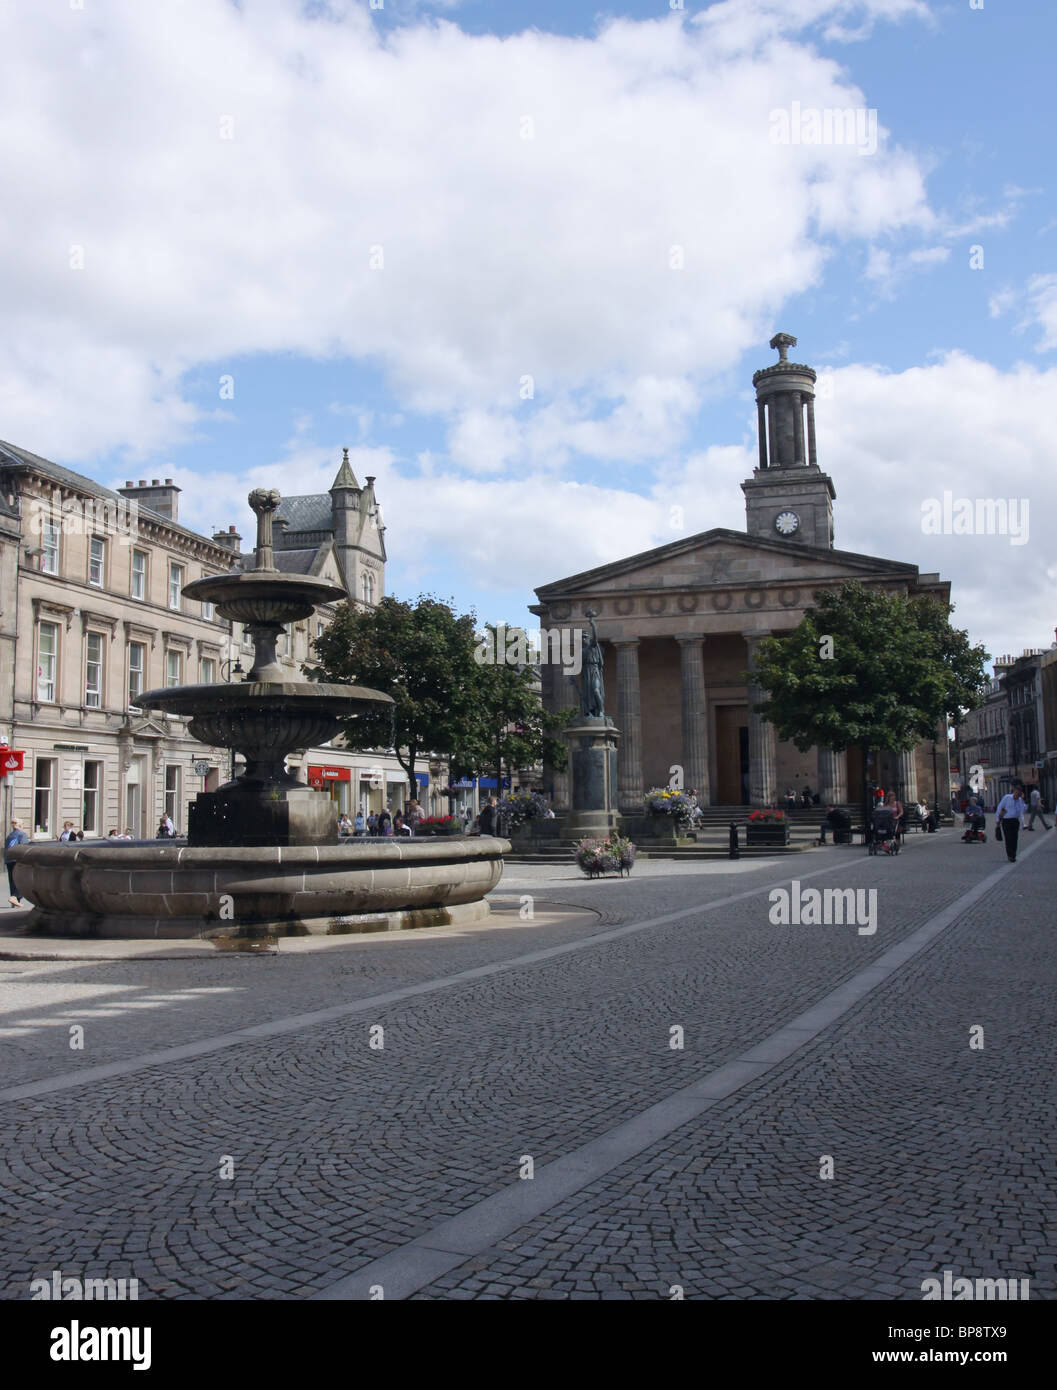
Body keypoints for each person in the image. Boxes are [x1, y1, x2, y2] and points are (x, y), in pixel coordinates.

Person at [995, 785, 1027, 862]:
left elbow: (1023, 811)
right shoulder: (1007, 798)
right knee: (1008, 838)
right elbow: (1000, 807)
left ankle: (1013, 854)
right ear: (1014, 792)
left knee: (1015, 838)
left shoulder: (1020, 800)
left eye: (1019, 794)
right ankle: (1010, 855)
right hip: (1006, 821)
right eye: (1016, 792)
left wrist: (1022, 800)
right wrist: (997, 819)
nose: (1017, 795)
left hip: (1015, 821)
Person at [5, 819, 29, 906]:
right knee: (23, 880)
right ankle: (15, 896)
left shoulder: (9, 836)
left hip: (9, 860)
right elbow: (25, 848)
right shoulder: (22, 834)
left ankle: (15, 901)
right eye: (22, 825)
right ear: (20, 825)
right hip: (18, 860)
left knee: (12, 880)